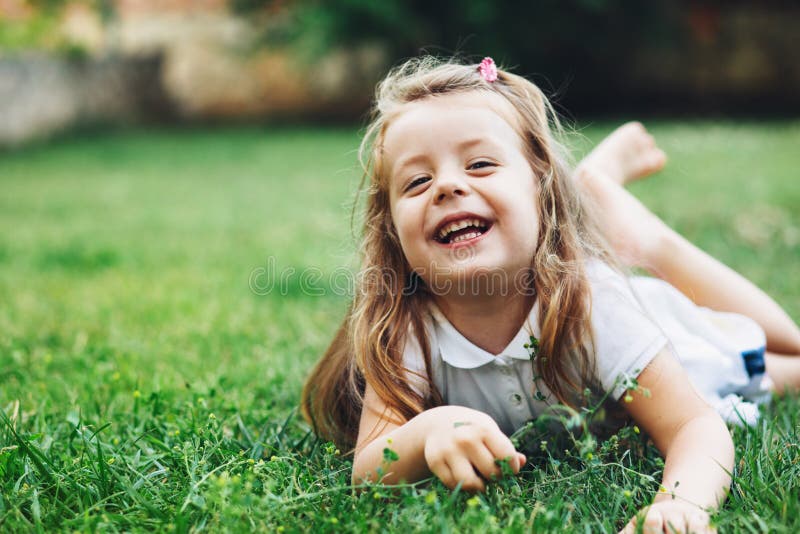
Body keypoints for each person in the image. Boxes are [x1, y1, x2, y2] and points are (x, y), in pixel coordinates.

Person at [301, 56, 800, 533]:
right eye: (417, 181)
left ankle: (647, 239)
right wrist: (429, 430)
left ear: (541, 188)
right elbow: (369, 469)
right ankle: (610, 209)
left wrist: (680, 504)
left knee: (777, 359)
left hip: (679, 341)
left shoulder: (593, 303)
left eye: (478, 165)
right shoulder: (406, 325)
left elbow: (694, 423)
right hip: (625, 344)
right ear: (391, 230)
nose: (447, 186)